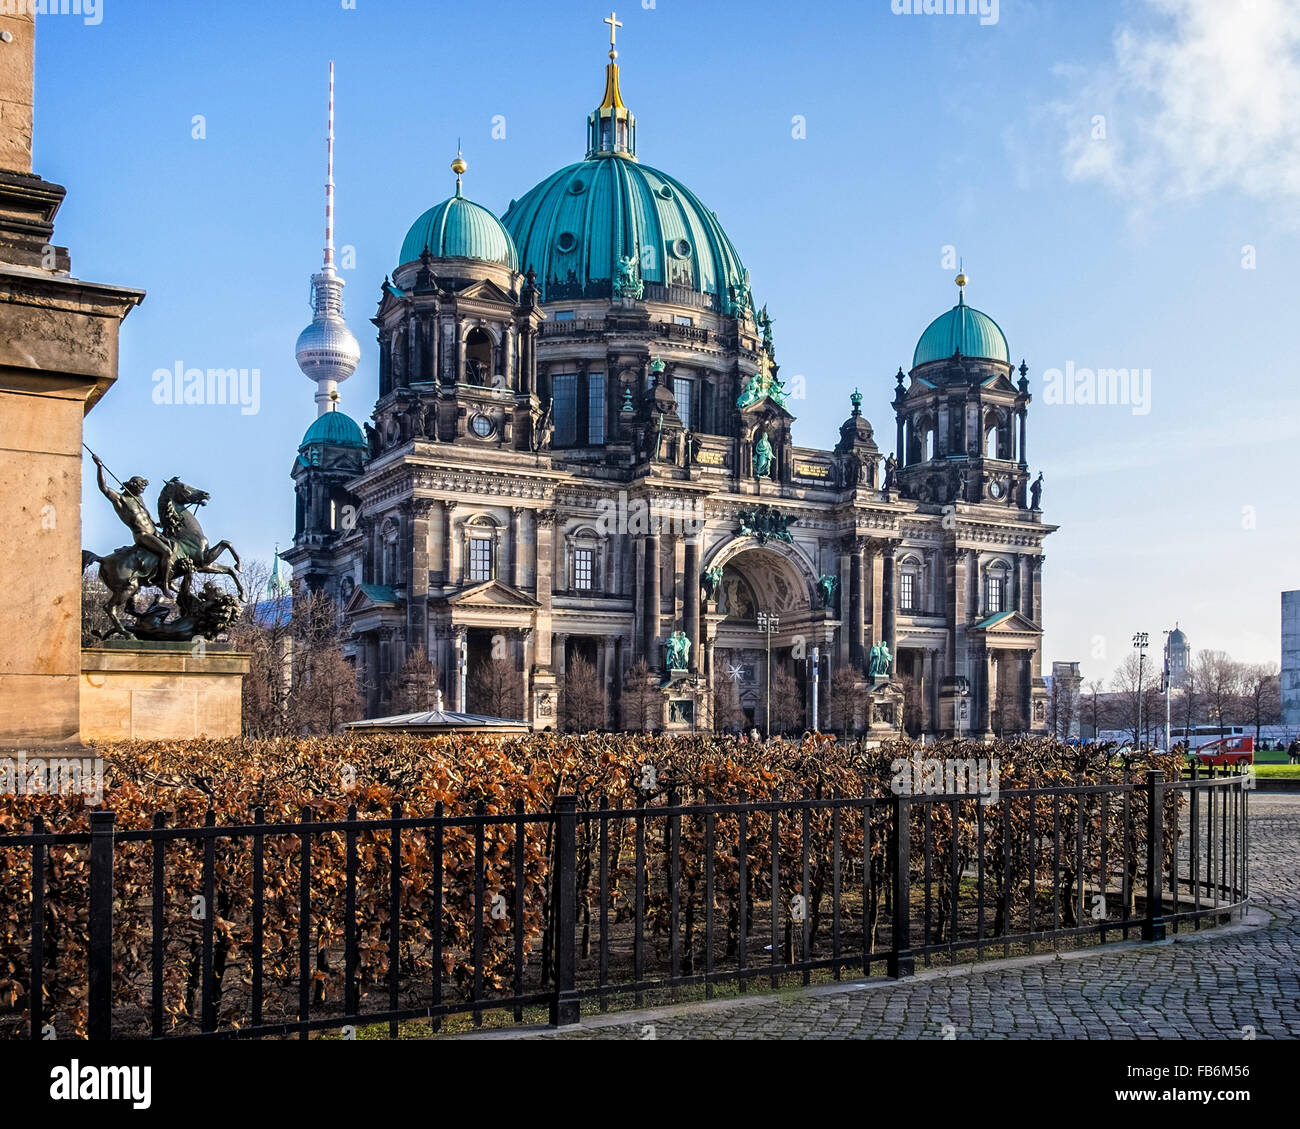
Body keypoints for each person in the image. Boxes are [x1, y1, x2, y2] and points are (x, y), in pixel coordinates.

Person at [92, 454, 177, 594]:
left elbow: (146, 516)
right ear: (133, 485)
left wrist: (157, 523)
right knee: (166, 552)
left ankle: (168, 577)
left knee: (175, 547)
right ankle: (165, 585)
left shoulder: (138, 498)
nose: (142, 491)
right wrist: (99, 467)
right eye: (140, 488)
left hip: (154, 532)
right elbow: (104, 488)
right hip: (142, 534)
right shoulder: (121, 499)